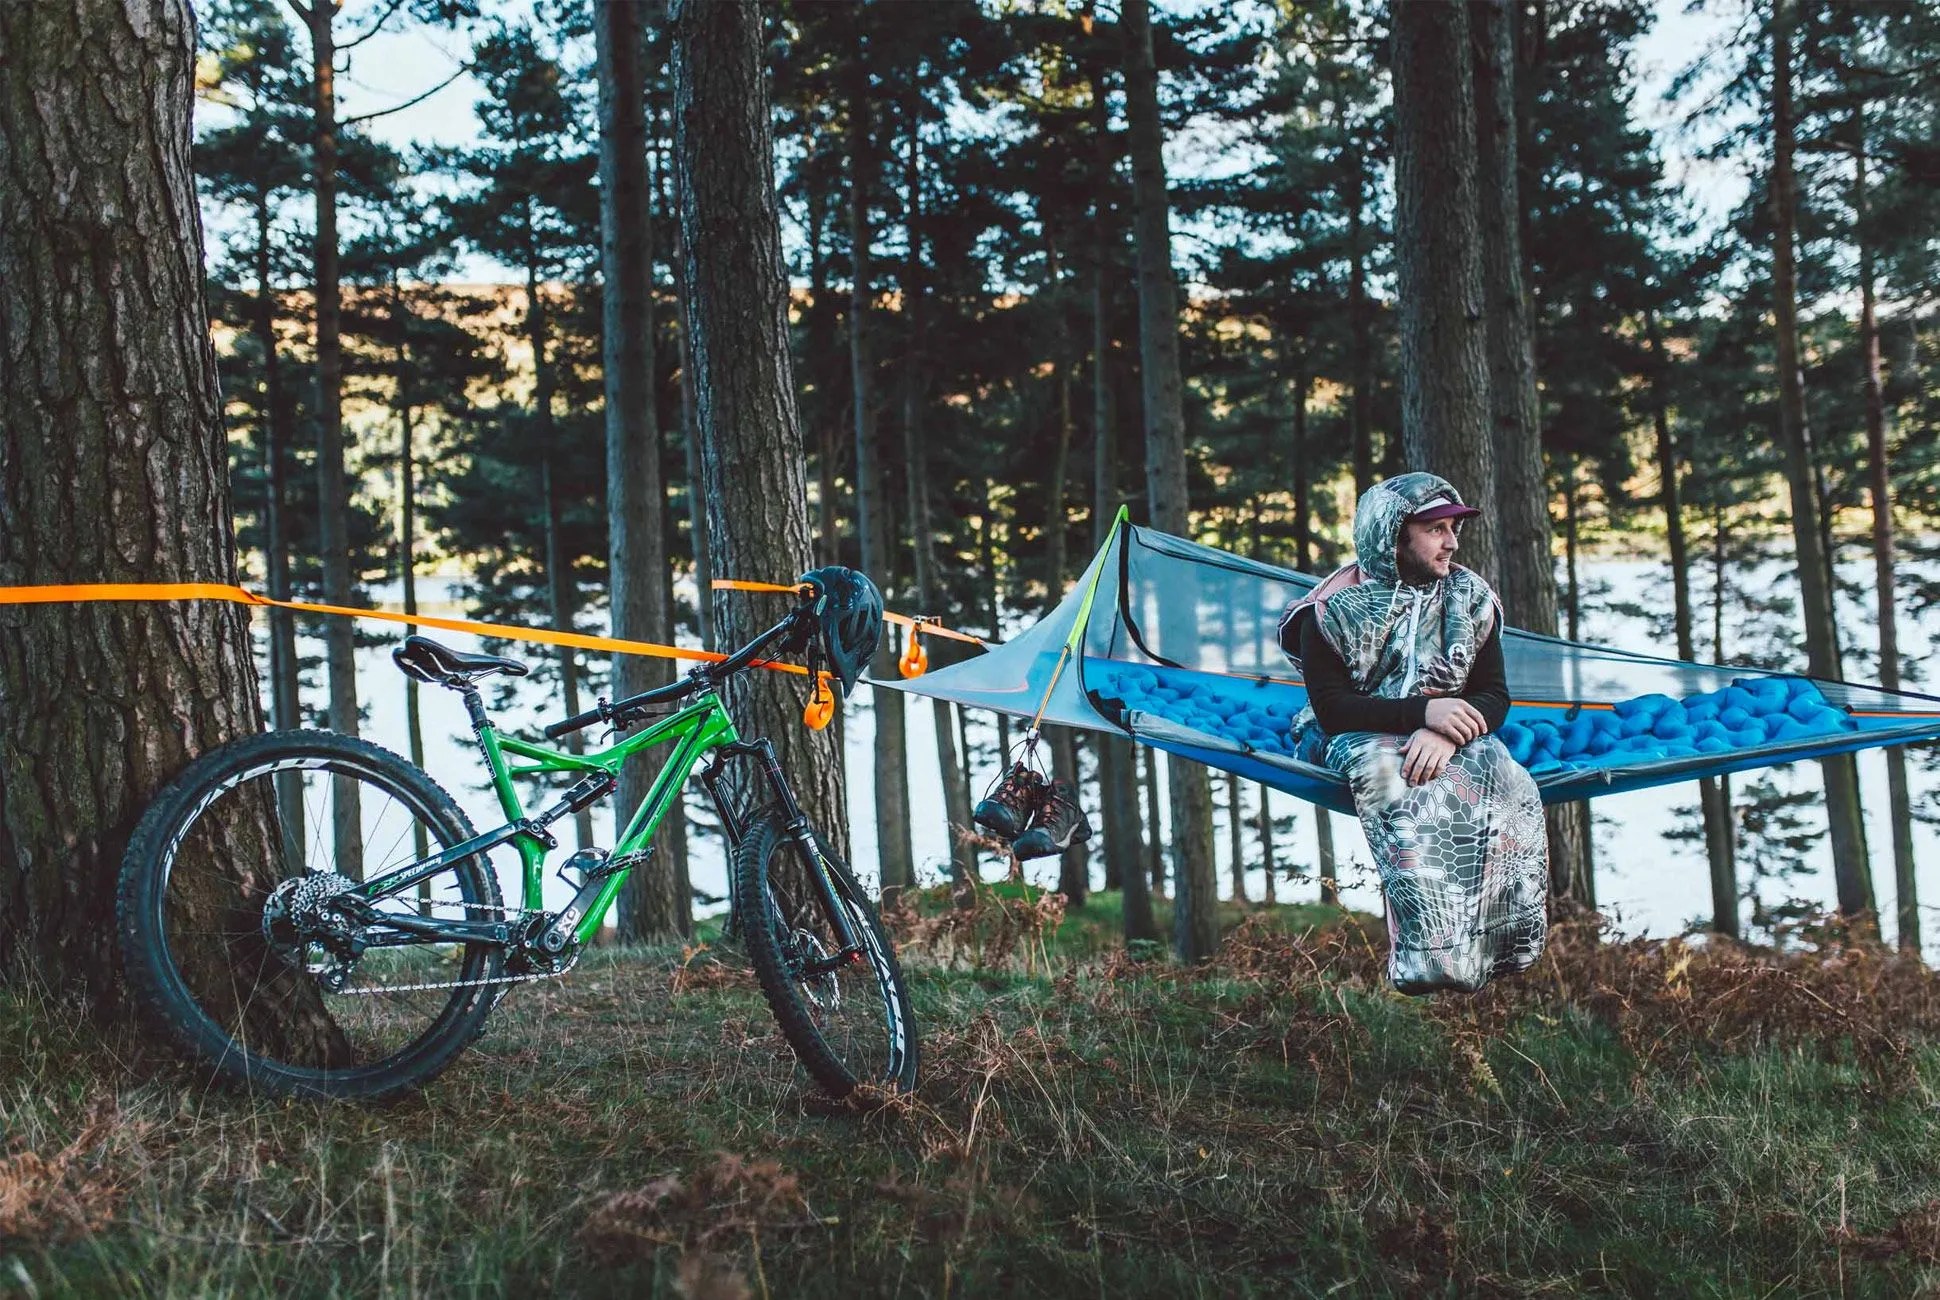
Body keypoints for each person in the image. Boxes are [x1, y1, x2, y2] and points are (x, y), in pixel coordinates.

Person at [1278, 472, 1548, 994]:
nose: (1452, 542)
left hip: (1443, 728)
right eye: (1436, 530)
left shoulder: (1470, 598)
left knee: (1509, 779)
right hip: (1353, 731)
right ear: (1394, 534)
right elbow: (1334, 710)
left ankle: (1507, 942)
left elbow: (1494, 695)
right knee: (1394, 778)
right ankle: (1429, 954)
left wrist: (1450, 733)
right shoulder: (1330, 611)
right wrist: (1423, 714)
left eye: (1453, 529)